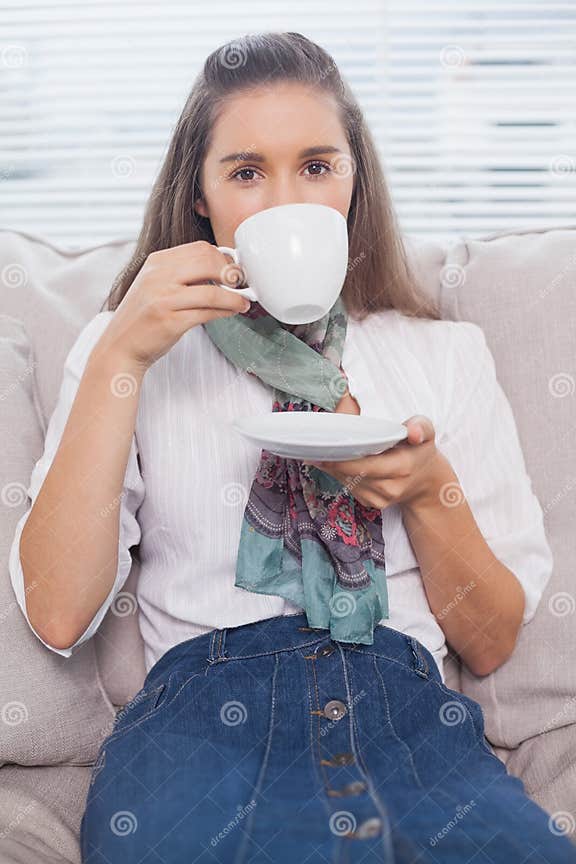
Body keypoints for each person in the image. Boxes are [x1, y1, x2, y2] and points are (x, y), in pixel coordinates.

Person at [9, 31, 575, 864]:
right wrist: (119, 355)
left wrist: (426, 492)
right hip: (198, 726)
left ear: (355, 184)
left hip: (408, 712)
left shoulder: (442, 354)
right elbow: (59, 614)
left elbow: (489, 644)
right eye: (245, 172)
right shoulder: (126, 349)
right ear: (198, 196)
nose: (285, 204)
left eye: (316, 166)